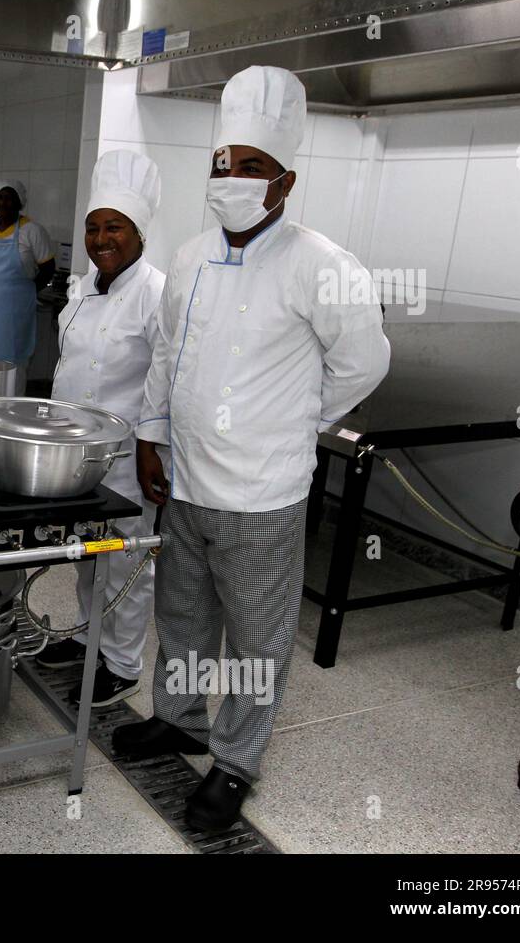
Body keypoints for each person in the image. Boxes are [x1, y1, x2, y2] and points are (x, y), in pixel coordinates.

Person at [115, 66, 390, 832]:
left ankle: (234, 762)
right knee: (183, 615)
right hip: (189, 483)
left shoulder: (322, 265)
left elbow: (364, 365)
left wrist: (294, 422)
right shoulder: (195, 256)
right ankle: (179, 718)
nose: (232, 179)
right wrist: (151, 436)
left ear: (285, 180)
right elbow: (169, 357)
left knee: (256, 639)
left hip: (264, 496)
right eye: (223, 164)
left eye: (252, 168)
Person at [36, 150, 165, 708]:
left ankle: (123, 664)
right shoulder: (83, 287)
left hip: (129, 458)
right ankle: (89, 636)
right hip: (79, 456)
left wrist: (152, 449)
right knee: (90, 553)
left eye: (114, 227)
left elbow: (167, 382)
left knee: (126, 564)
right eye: (93, 227)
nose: (100, 238)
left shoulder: (159, 294)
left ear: (138, 232)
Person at [0, 180, 55, 389]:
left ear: (20, 202)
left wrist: (25, 293)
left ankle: (10, 411)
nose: (4, 202)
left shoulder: (32, 231)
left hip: (15, 314)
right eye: (0, 197)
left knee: (13, 367)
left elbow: (48, 269)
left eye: (10, 197)